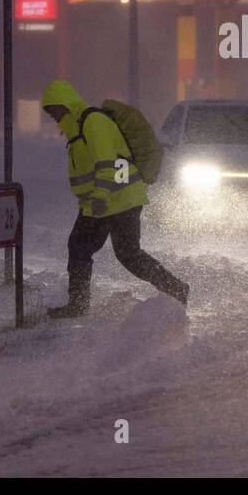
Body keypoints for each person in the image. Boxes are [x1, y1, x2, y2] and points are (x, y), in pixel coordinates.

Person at [41, 79, 189, 317]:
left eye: (55, 110)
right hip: (101, 203)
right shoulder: (77, 130)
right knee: (82, 246)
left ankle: (177, 288)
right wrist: (91, 200)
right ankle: (78, 305)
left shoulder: (93, 122)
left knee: (126, 253)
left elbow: (106, 161)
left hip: (119, 199)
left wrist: (99, 195)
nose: (53, 117)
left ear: (66, 104)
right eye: (50, 113)